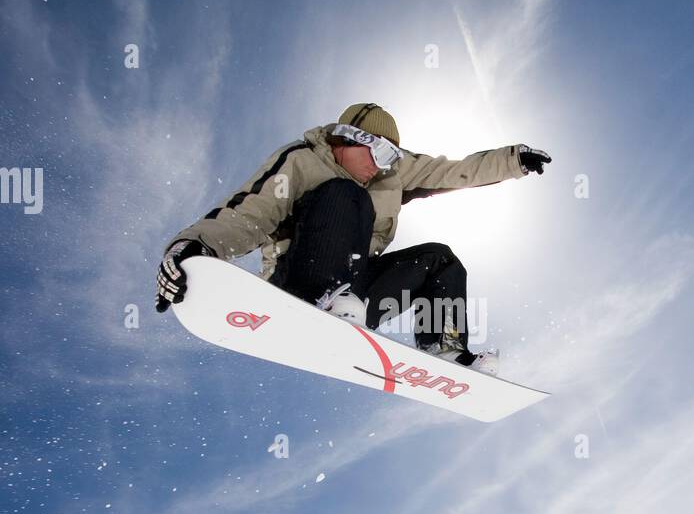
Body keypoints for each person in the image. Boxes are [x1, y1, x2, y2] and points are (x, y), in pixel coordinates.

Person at [156, 102, 550, 372]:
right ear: (345, 140)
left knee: (439, 259)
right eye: (378, 153)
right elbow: (248, 213)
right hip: (297, 283)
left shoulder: (390, 174)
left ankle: (443, 347)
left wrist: (514, 160)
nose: (382, 167)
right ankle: (324, 299)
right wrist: (193, 249)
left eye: (393, 158)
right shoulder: (302, 162)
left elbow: (453, 171)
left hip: (356, 299)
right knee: (345, 195)